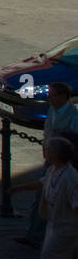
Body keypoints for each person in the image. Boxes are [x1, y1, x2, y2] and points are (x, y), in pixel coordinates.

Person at [18, 82, 78, 247]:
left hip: (64, 162)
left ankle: (44, 235)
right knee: (40, 197)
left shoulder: (74, 116)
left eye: (52, 95)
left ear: (63, 97)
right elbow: (47, 131)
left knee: (59, 199)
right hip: (51, 159)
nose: (48, 98)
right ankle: (34, 234)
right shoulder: (52, 111)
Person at [12, 136, 78, 259]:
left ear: (55, 154)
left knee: (49, 257)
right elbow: (43, 183)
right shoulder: (52, 169)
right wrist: (19, 188)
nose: (44, 152)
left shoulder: (71, 179)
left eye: (47, 149)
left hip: (67, 227)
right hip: (54, 223)